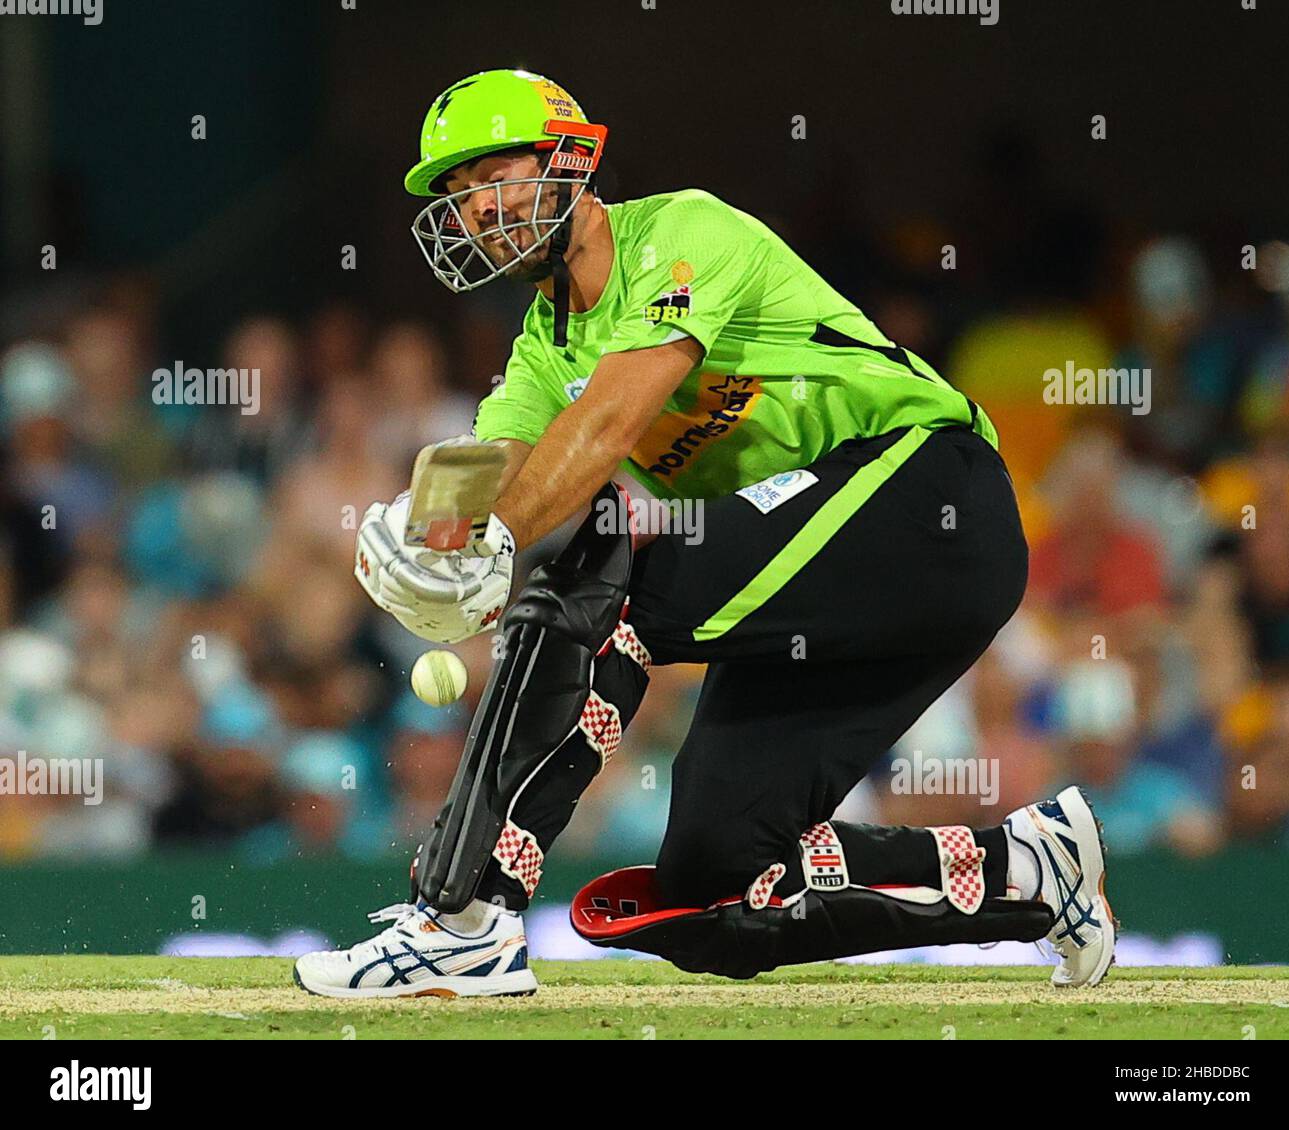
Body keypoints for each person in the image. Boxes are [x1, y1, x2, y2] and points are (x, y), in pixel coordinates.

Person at [294, 69, 1116, 998]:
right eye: (458, 193)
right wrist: (430, 540)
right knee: (721, 884)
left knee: (599, 572)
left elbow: (606, 425)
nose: (478, 209)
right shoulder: (539, 352)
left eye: (494, 174)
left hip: (931, 503)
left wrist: (497, 542)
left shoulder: (683, 232)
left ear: (573, 161)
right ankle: (1034, 871)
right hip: (831, 586)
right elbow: (496, 472)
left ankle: (462, 917)